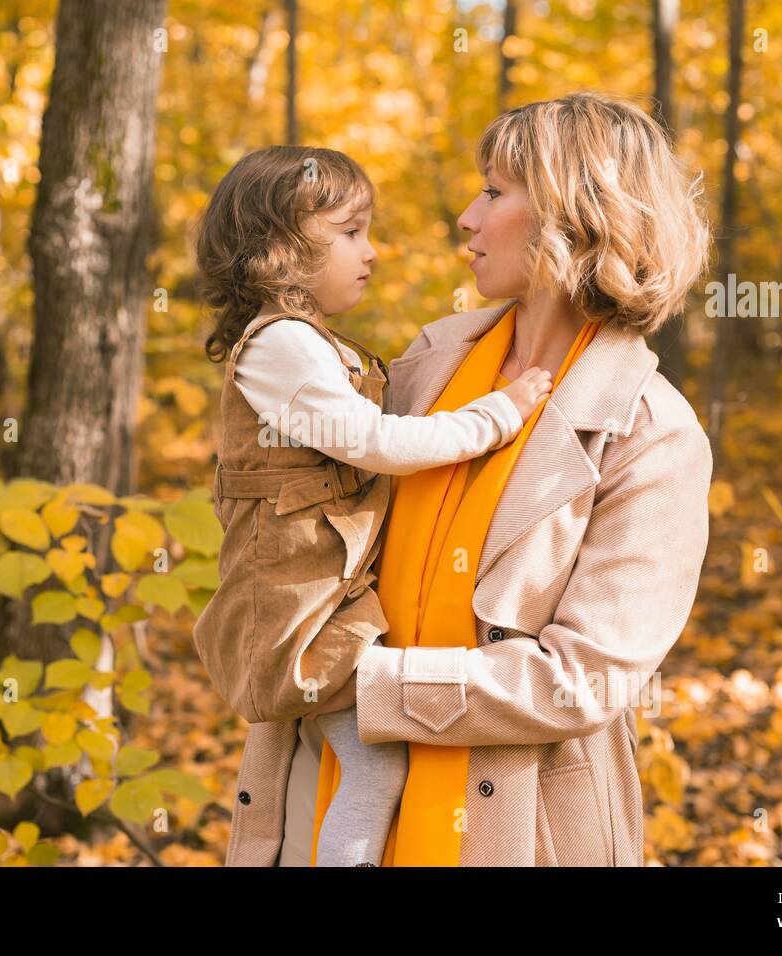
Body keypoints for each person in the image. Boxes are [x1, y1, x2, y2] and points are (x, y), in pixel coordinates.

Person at [226, 92, 714, 867]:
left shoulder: (652, 432)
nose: (466, 217)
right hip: (326, 798)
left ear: (572, 213)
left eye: (493, 191)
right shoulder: (424, 368)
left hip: (513, 828)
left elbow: (580, 681)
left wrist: (370, 682)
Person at [191, 145, 554, 866]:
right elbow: (374, 443)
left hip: (329, 592)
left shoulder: (311, 341)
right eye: (351, 232)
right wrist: (497, 416)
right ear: (281, 250)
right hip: (295, 599)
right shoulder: (281, 345)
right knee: (374, 761)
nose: (373, 250)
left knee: (372, 762)